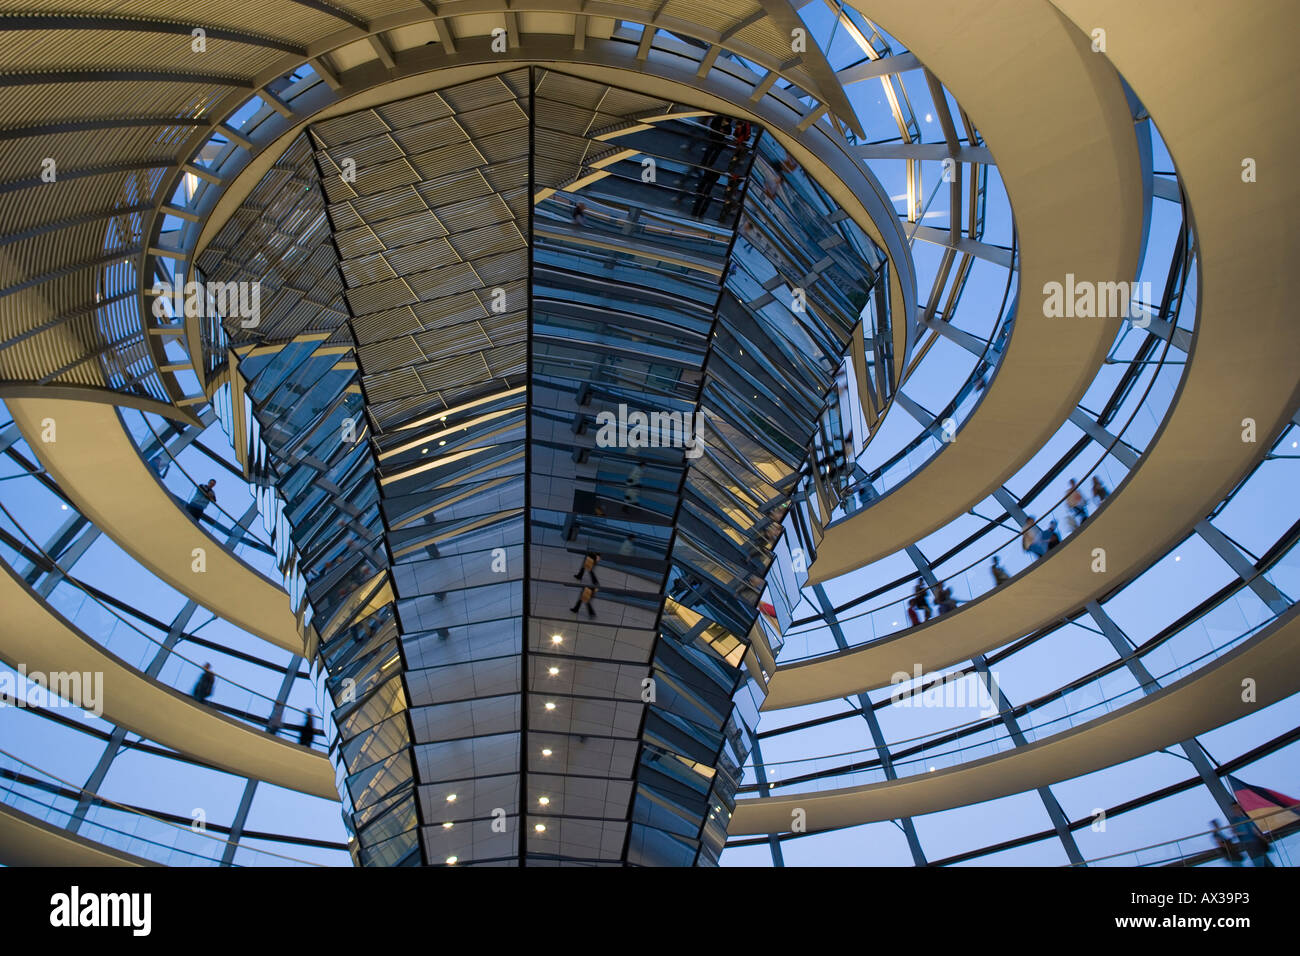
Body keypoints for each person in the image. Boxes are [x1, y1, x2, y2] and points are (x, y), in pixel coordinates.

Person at [1228, 801, 1274, 866]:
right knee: (1259, 861)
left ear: (1240, 808)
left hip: (1255, 842)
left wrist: (1263, 839)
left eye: (1237, 807)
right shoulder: (1234, 820)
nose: (1236, 809)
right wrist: (1241, 832)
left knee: (1263, 860)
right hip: (1248, 843)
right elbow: (1234, 832)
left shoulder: (1245, 818)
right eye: (1234, 808)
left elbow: (1254, 830)